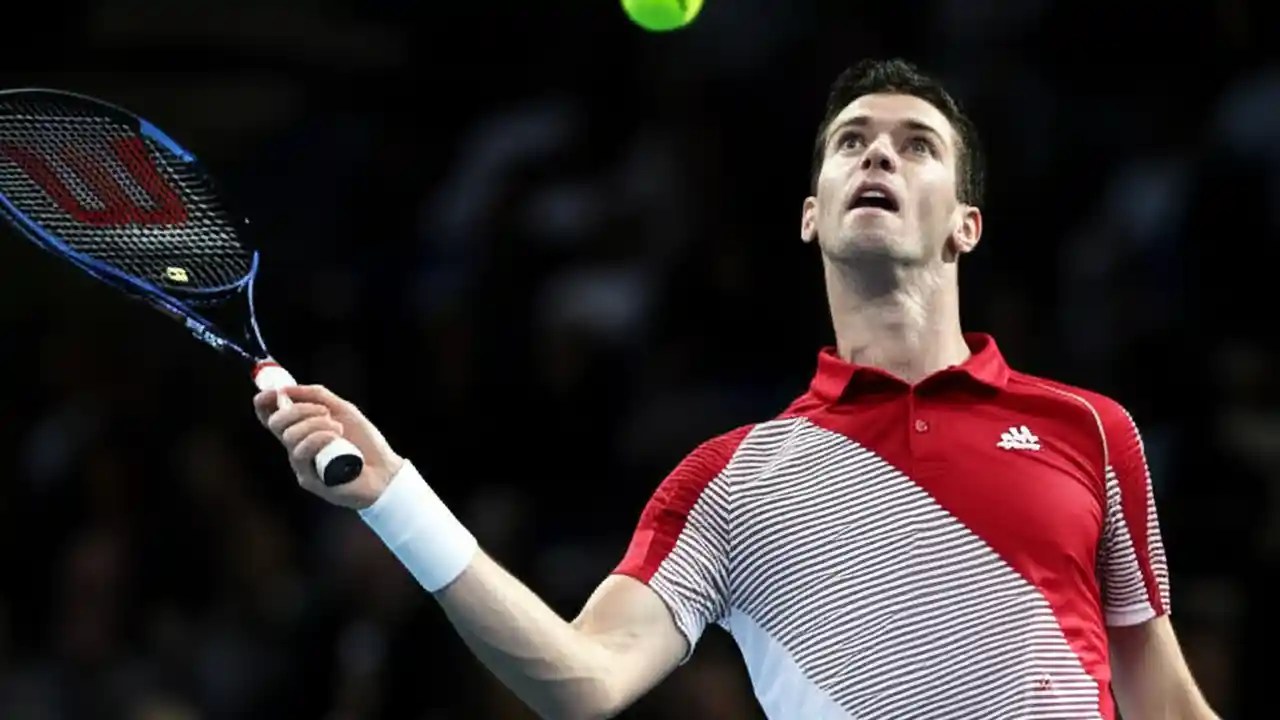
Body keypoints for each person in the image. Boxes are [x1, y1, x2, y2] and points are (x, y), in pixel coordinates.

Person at [254, 58, 1220, 719]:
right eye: (851, 142)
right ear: (811, 215)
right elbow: (581, 681)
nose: (878, 154)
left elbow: (1161, 698)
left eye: (917, 144)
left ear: (966, 225)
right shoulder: (731, 483)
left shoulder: (1088, 430)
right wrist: (394, 502)